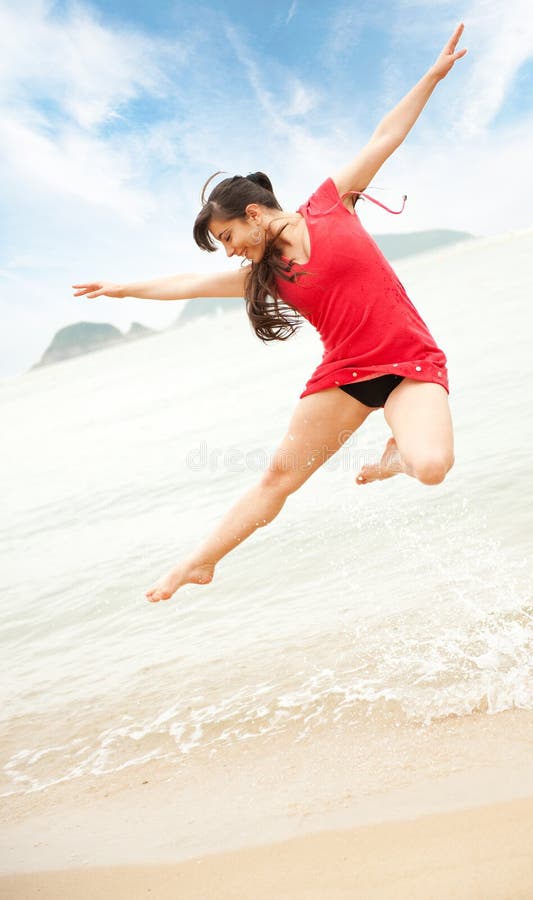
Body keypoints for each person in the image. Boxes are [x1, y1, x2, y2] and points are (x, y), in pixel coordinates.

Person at [73, 24, 467, 603]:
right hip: (347, 375)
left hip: (410, 361)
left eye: (229, 234)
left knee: (432, 467)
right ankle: (197, 564)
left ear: (255, 214)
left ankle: (395, 460)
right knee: (278, 479)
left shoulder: (332, 203)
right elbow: (186, 284)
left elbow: (386, 135)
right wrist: (123, 289)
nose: (229, 248)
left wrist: (431, 77)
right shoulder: (265, 275)